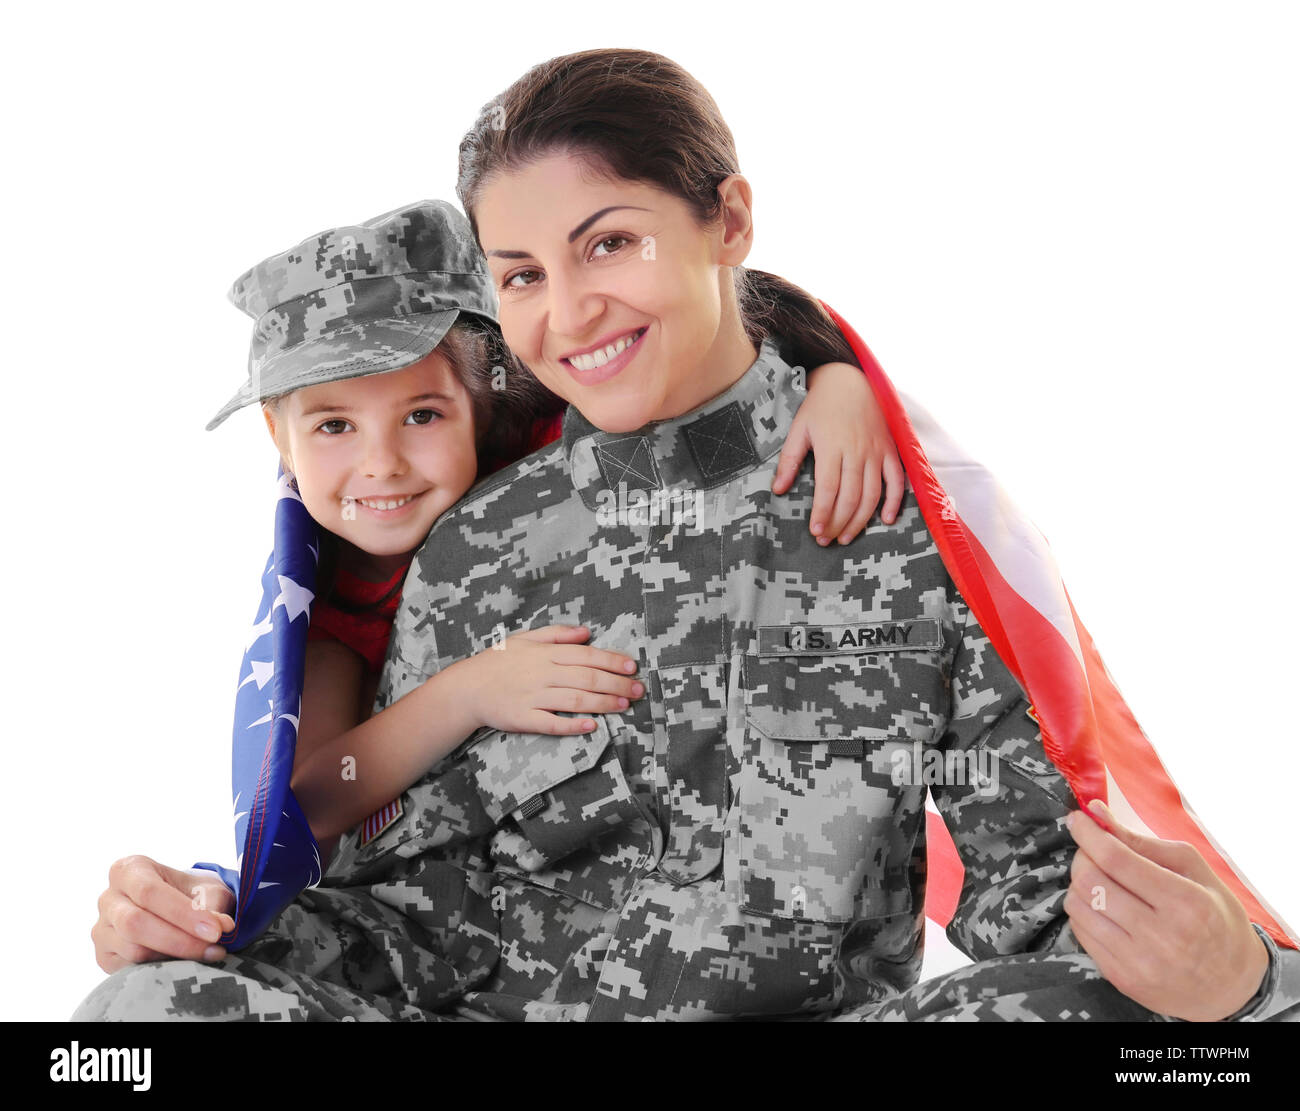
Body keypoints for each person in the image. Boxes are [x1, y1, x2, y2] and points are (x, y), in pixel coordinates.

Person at [74, 49, 1299, 1022]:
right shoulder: (476, 534)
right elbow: (385, 873)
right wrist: (204, 918)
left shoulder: (905, 516)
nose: (570, 310)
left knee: (1144, 1011)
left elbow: (1040, 889)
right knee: (141, 1010)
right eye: (520, 274)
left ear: (730, 221)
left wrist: (1237, 988)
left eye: (609, 241)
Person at [76, 198, 903, 991]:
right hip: (438, 922)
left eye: (423, 415)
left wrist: (836, 378)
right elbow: (315, 799)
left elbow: (726, 314)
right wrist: (469, 691)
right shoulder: (330, 595)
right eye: (333, 426)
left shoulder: (557, 458)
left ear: (488, 396)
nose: (382, 464)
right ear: (277, 435)